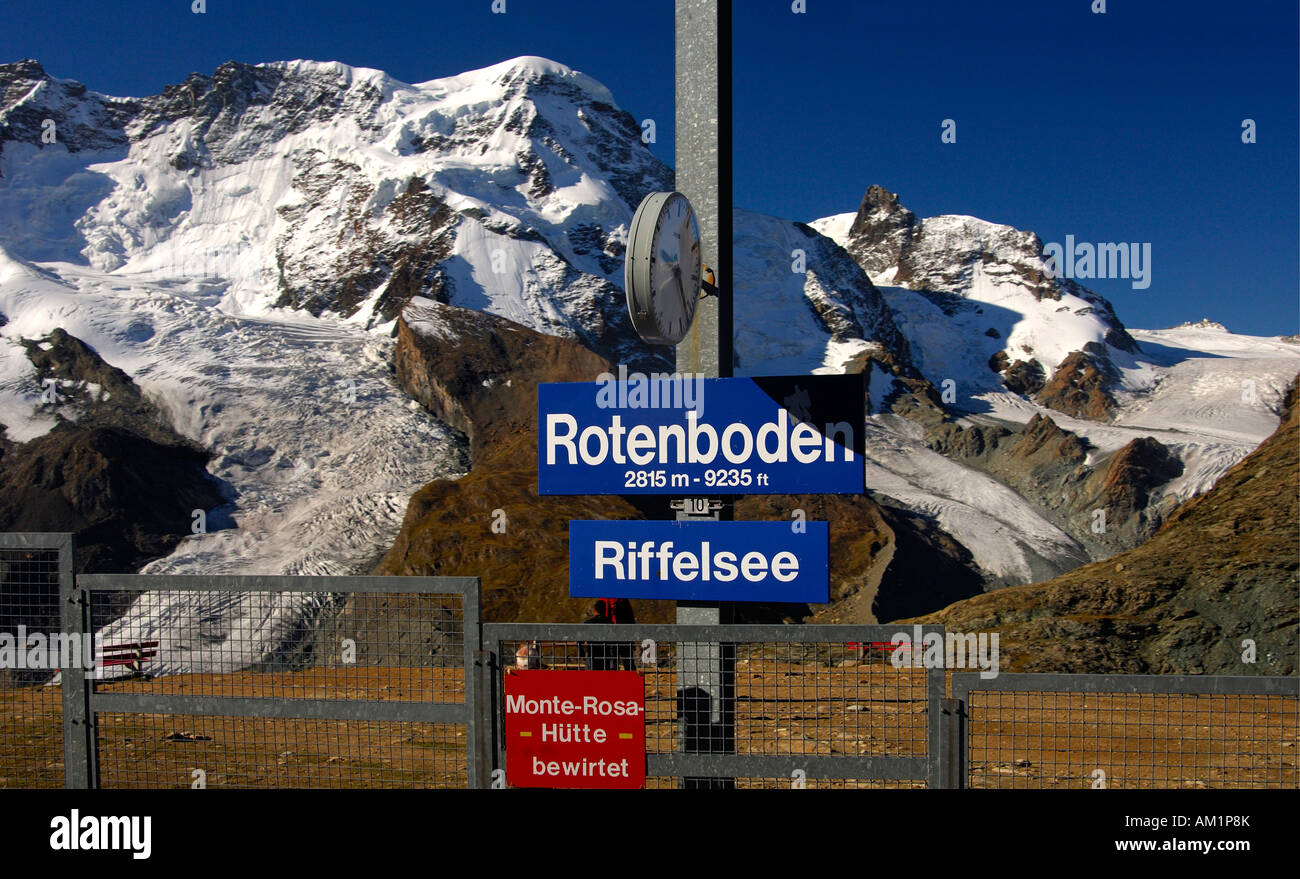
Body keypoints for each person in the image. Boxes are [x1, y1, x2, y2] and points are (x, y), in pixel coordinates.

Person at [578, 600, 613, 670]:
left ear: (595, 610)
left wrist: (581, 653)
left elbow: (579, 639)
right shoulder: (610, 624)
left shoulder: (588, 623)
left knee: (591, 677)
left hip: (592, 654)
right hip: (605, 655)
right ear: (605, 609)